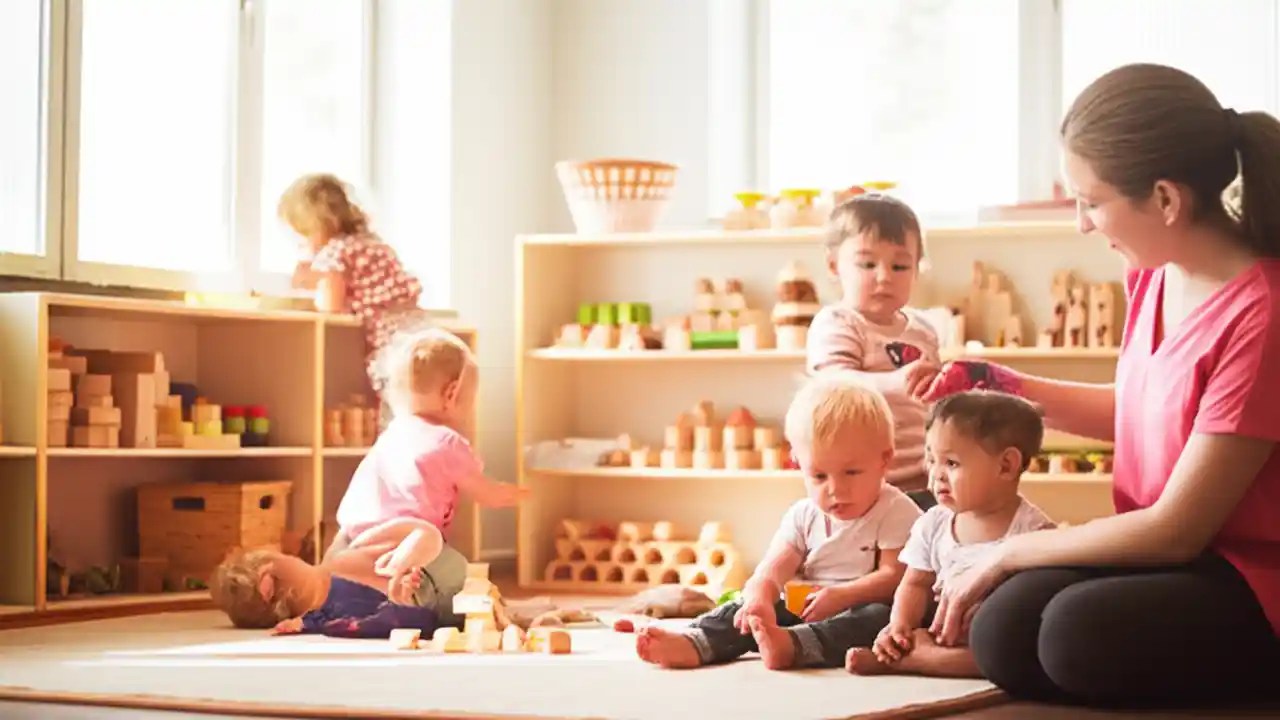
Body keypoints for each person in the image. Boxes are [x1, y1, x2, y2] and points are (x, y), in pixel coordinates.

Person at [919, 63, 1280, 706]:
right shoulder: (1153, 273)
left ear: (1166, 200)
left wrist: (1009, 553)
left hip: (1244, 575)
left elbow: (1177, 529)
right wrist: (999, 383)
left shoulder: (1263, 312)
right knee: (1003, 628)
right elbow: (1148, 415)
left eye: (1091, 201)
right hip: (1170, 558)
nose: (1082, 223)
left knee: (1071, 634)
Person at [634, 372, 921, 669]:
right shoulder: (803, 514)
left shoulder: (895, 511)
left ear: (884, 459)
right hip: (803, 606)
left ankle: (794, 647)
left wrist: (841, 595)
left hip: (857, 607)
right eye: (819, 476)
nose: (835, 489)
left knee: (876, 618)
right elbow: (771, 571)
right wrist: (758, 599)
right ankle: (696, 641)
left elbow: (893, 578)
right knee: (743, 610)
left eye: (851, 473)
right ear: (798, 463)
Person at [844, 391, 1055, 678]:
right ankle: (899, 652)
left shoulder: (1033, 532)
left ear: (1006, 465)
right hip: (936, 629)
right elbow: (916, 584)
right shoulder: (933, 523)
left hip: (991, 644)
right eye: (932, 460)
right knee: (872, 615)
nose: (937, 475)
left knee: (1015, 658)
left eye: (952, 463)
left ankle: (915, 661)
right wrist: (900, 625)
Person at [325, 326, 526, 561]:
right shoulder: (448, 443)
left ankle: (338, 574)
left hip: (352, 539)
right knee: (454, 568)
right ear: (451, 394)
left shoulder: (394, 433)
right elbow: (487, 495)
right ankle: (402, 585)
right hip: (401, 546)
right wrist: (516, 494)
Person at [806, 194, 942, 509]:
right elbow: (833, 386)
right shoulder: (838, 323)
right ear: (833, 265)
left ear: (916, 270)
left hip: (926, 479)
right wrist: (898, 382)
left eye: (900, 265)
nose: (884, 276)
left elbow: (936, 405)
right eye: (867, 264)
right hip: (862, 487)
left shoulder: (923, 328)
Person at [277, 173, 428, 397]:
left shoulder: (335, 252)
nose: (303, 244)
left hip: (391, 346)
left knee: (397, 409)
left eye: (303, 236)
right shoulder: (374, 245)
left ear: (318, 227)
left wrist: (314, 283)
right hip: (420, 332)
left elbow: (331, 304)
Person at [211, 517, 463, 638]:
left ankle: (403, 576)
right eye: (272, 594)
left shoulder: (343, 560)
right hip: (427, 608)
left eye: (275, 579)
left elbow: (421, 533)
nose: (283, 589)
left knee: (412, 539)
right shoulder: (330, 622)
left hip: (434, 573)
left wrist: (404, 563)